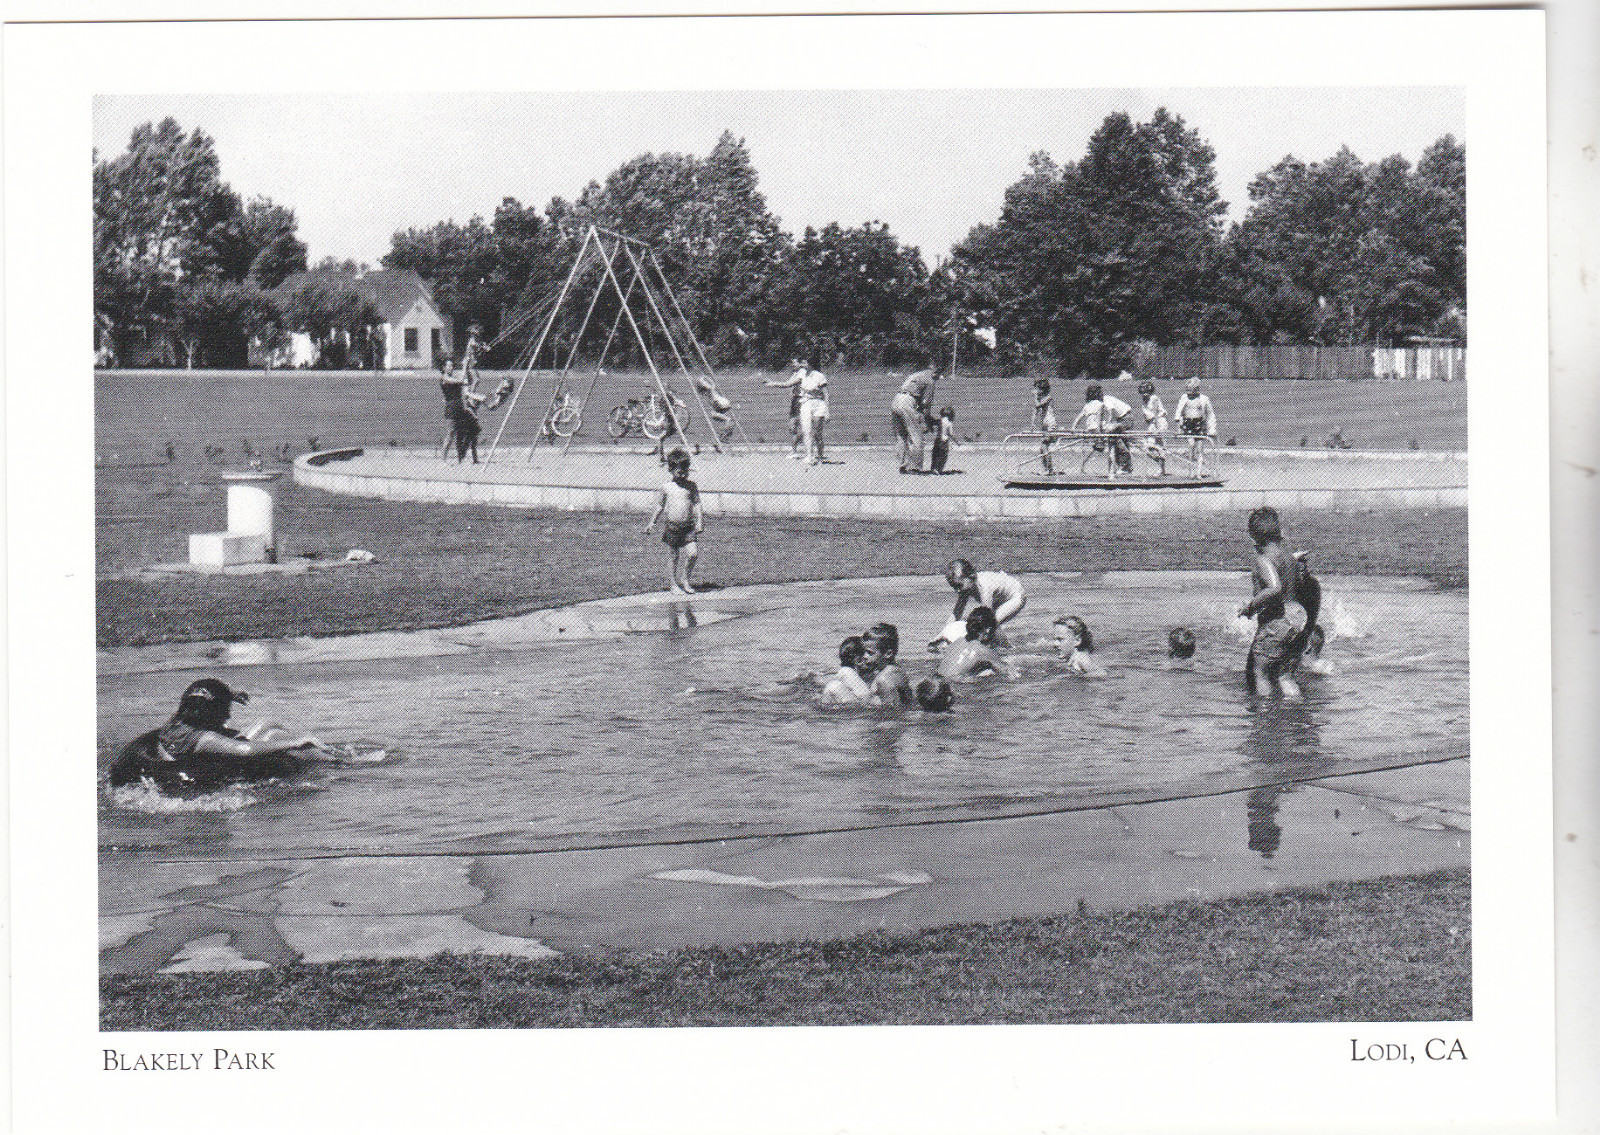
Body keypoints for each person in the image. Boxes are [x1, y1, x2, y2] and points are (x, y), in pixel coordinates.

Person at [107, 678, 325, 794]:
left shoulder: (178, 721)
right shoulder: (205, 738)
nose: (229, 714)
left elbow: (199, 692)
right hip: (197, 771)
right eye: (225, 708)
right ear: (212, 713)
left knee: (265, 725)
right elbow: (245, 750)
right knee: (269, 730)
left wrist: (229, 695)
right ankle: (329, 758)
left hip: (186, 761)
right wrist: (296, 742)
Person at [1239, 507, 1311, 700]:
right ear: (1279, 532)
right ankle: (1297, 710)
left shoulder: (1263, 560)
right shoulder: (1290, 557)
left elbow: (1274, 588)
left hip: (1279, 621)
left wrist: (1250, 607)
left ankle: (1265, 717)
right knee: (1285, 676)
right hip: (1299, 620)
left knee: (1259, 673)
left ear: (1253, 537)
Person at [643, 447, 703, 594]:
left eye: (685, 472)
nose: (683, 475)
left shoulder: (691, 486)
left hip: (688, 526)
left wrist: (700, 521)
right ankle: (673, 584)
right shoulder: (667, 487)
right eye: (679, 472)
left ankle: (685, 579)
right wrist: (652, 522)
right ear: (671, 470)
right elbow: (659, 506)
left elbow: (697, 504)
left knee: (693, 554)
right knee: (674, 556)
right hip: (673, 527)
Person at [939, 558, 1026, 642]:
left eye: (959, 585)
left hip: (1015, 596)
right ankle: (996, 644)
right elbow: (957, 612)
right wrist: (941, 636)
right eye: (954, 587)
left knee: (991, 624)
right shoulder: (966, 585)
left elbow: (987, 618)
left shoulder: (984, 587)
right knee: (977, 625)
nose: (957, 590)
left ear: (971, 576)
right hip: (1000, 597)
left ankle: (1007, 647)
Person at [1071, 383, 1136, 475]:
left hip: (1124, 417)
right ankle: (1121, 466)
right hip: (1112, 422)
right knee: (1115, 441)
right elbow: (1098, 417)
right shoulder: (1097, 404)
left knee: (1116, 440)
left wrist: (1073, 427)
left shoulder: (1101, 402)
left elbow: (1109, 412)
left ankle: (1123, 463)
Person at [937, 607, 1018, 680]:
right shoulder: (983, 651)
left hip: (938, 681)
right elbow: (1009, 672)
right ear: (988, 630)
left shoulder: (957, 642)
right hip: (955, 685)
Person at [892, 364, 939, 473]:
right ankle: (914, 467)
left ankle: (902, 465)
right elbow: (925, 403)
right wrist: (928, 421)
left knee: (901, 435)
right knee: (916, 436)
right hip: (908, 402)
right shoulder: (930, 380)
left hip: (896, 400)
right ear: (935, 372)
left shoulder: (917, 374)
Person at [439, 356, 480, 464]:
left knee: (462, 432)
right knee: (450, 433)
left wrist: (467, 367)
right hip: (451, 408)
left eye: (452, 365)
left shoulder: (454, 377)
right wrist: (465, 366)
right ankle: (443, 459)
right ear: (444, 367)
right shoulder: (444, 378)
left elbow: (466, 380)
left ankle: (461, 458)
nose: (451, 367)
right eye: (448, 365)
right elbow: (460, 380)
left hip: (459, 407)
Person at [862, 623, 915, 707]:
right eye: (864, 651)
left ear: (888, 653)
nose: (864, 656)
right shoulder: (897, 670)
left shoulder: (884, 680)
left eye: (870, 652)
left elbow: (891, 713)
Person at [1174, 377, 1218, 473]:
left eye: (1191, 391)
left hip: (1199, 424)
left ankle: (1198, 472)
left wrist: (1212, 429)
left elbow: (1210, 414)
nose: (1189, 393)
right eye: (1187, 390)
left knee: (1199, 449)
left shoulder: (1204, 399)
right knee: (1191, 445)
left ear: (1197, 390)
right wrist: (1179, 426)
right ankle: (1190, 471)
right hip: (1188, 423)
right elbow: (1178, 412)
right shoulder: (1184, 398)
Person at [822, 635, 875, 704]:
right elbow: (866, 698)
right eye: (869, 653)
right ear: (859, 660)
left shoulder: (841, 674)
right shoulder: (847, 672)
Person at [1138, 380, 1169, 475]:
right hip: (1151, 423)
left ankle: (1162, 469)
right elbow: (1146, 417)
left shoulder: (1154, 398)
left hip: (1159, 421)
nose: (1144, 394)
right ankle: (1159, 459)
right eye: (1143, 393)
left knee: (1159, 444)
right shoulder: (1144, 402)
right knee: (1148, 446)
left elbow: (1155, 413)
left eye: (1146, 392)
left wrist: (1156, 427)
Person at [1032, 377, 1058, 472]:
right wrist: (1033, 423)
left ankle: (1049, 470)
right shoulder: (1040, 398)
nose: (1035, 391)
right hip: (1044, 425)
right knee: (1042, 448)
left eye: (1037, 389)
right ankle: (1046, 469)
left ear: (1042, 389)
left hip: (1051, 424)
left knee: (1045, 446)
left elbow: (1038, 405)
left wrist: (1035, 397)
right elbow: (1035, 411)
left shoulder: (1048, 397)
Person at [930, 406, 956, 474]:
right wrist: (957, 442)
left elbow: (932, 425)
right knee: (943, 455)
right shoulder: (949, 423)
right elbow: (950, 434)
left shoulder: (939, 421)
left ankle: (933, 468)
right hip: (944, 441)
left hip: (937, 440)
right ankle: (939, 469)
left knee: (935, 454)